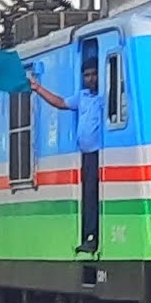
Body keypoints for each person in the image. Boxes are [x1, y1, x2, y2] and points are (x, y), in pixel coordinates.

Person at [32, 57, 103, 254]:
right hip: (87, 154)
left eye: (94, 74)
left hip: (101, 153)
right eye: (87, 75)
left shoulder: (105, 96)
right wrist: (38, 89)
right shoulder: (82, 96)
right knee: (88, 195)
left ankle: (94, 236)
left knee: (95, 195)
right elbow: (61, 103)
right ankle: (89, 236)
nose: (91, 79)